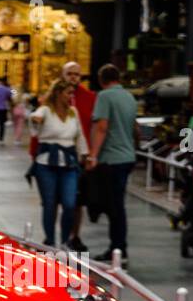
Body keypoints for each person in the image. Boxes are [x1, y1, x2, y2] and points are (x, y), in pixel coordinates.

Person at [29, 78, 89, 247]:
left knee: (70, 203)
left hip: (69, 163)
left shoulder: (73, 112)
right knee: (50, 204)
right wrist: (35, 119)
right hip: (46, 163)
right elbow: (35, 119)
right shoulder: (46, 110)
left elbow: (80, 135)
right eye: (68, 93)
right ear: (57, 93)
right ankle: (50, 241)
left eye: (72, 93)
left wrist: (85, 154)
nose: (71, 96)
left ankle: (64, 241)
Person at [88, 64, 139, 263]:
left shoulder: (105, 96)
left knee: (114, 206)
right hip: (127, 156)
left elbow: (101, 126)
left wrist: (93, 155)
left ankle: (118, 248)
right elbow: (135, 128)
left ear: (102, 80)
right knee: (118, 204)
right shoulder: (129, 97)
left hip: (111, 158)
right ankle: (118, 246)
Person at [61, 60, 97, 252]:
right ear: (63, 75)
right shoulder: (54, 97)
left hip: (80, 155)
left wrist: (91, 153)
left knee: (76, 200)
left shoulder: (90, 97)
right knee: (58, 200)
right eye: (70, 73)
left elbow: (94, 127)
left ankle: (75, 235)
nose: (73, 77)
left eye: (77, 74)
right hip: (57, 155)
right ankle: (57, 237)